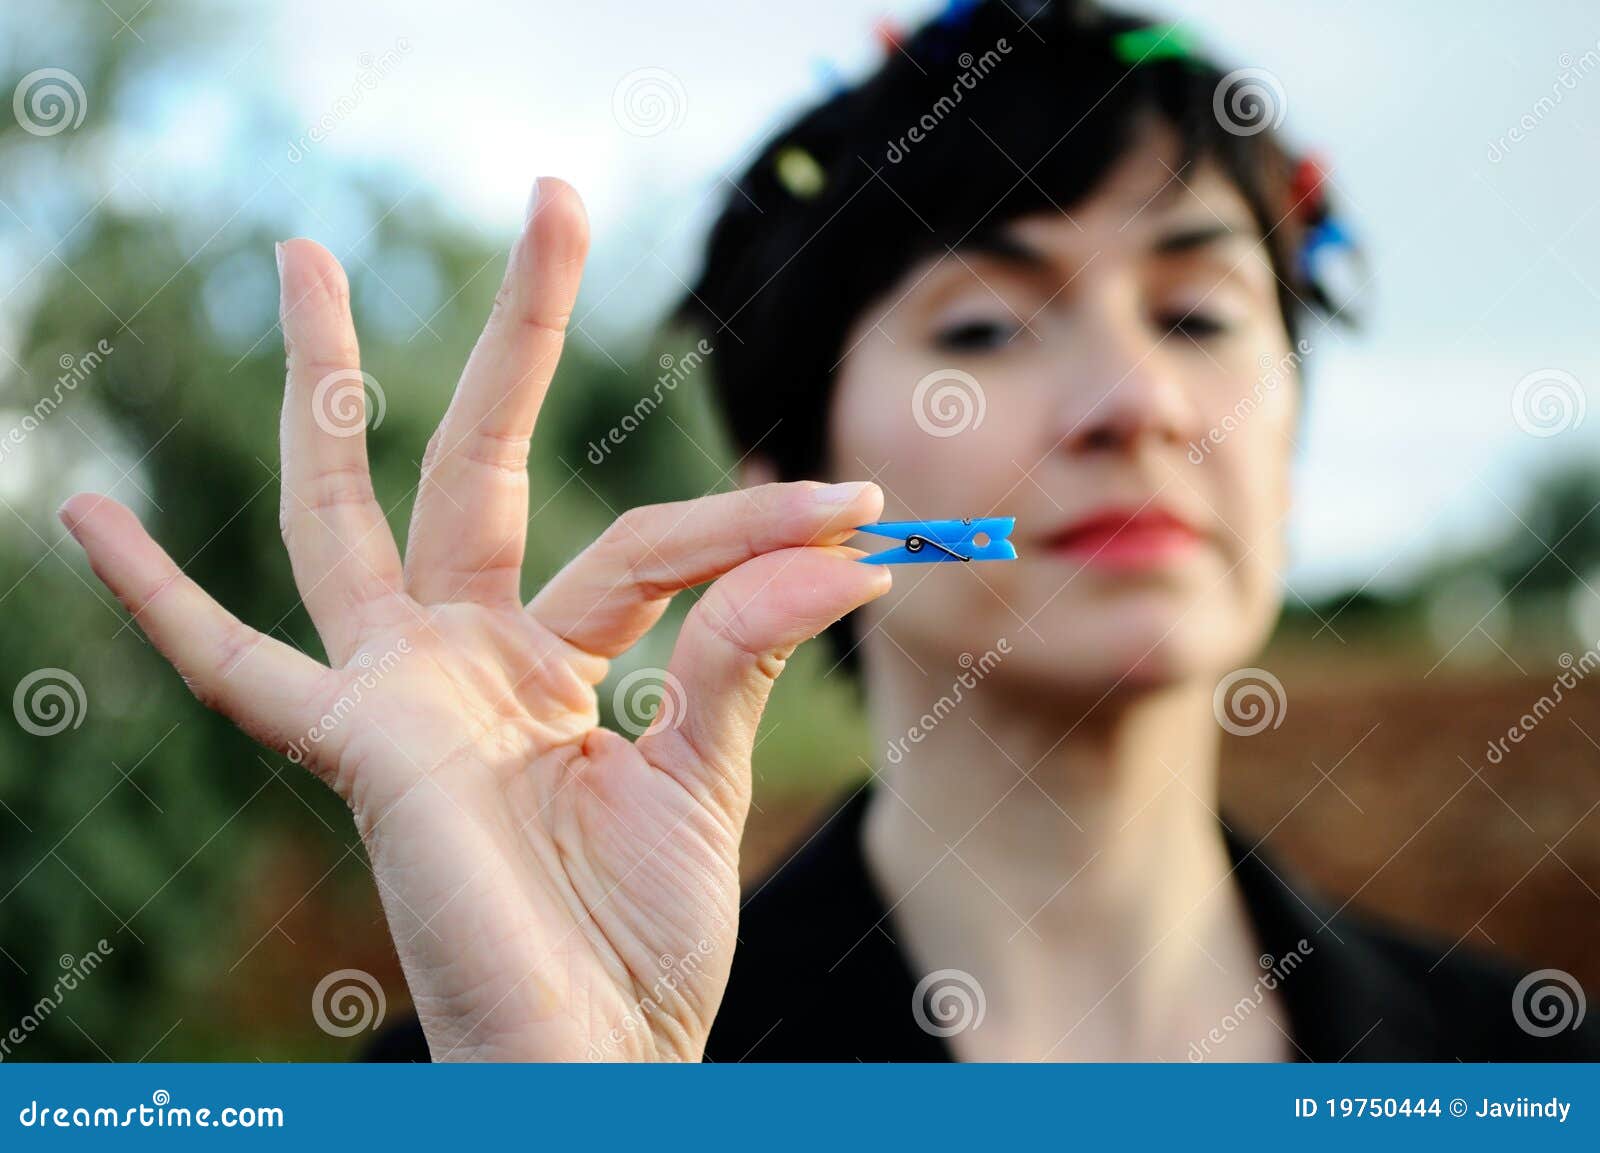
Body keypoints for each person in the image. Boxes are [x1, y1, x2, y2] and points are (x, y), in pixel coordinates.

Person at [61, 0, 1595, 1062]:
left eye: (1198, 312)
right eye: (987, 328)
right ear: (780, 469)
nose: (1134, 401)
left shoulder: (1530, 1056)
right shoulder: (498, 1074)